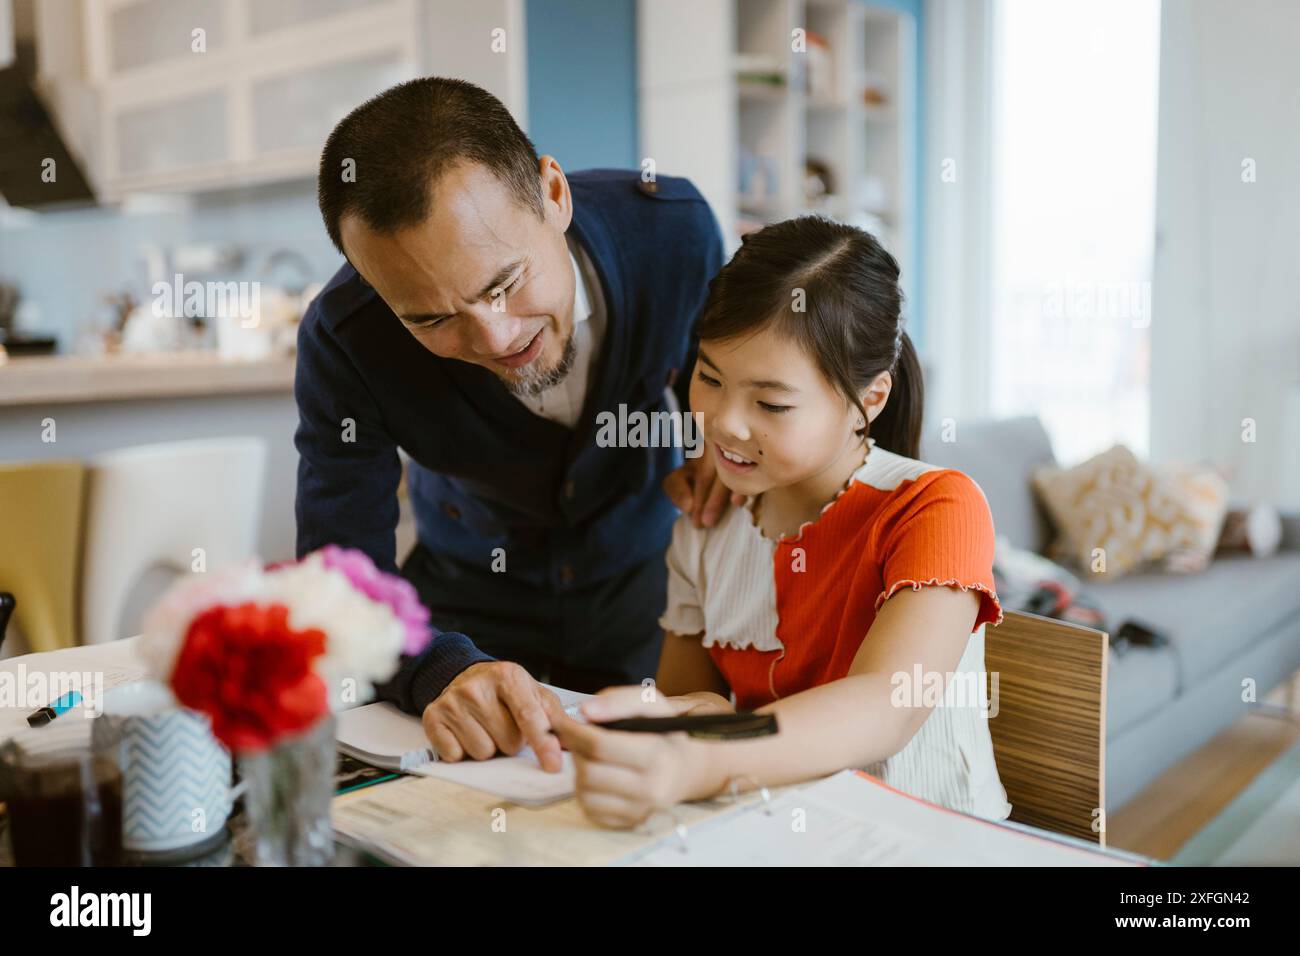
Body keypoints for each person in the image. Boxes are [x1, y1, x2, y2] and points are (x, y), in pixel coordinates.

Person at [296, 77, 735, 770]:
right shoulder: (343, 337)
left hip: (644, 601)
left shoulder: (673, 231)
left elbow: (723, 385)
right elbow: (340, 578)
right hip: (465, 612)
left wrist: (717, 444)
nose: (497, 338)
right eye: (432, 319)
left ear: (553, 194)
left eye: (503, 283)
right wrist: (437, 670)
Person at [556, 216, 1012, 827]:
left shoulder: (937, 507)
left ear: (869, 401)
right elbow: (683, 697)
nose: (724, 422)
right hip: (772, 830)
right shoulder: (707, 519)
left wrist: (698, 759)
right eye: (709, 377)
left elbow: (887, 705)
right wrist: (686, 715)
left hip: (926, 839)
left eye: (771, 403)